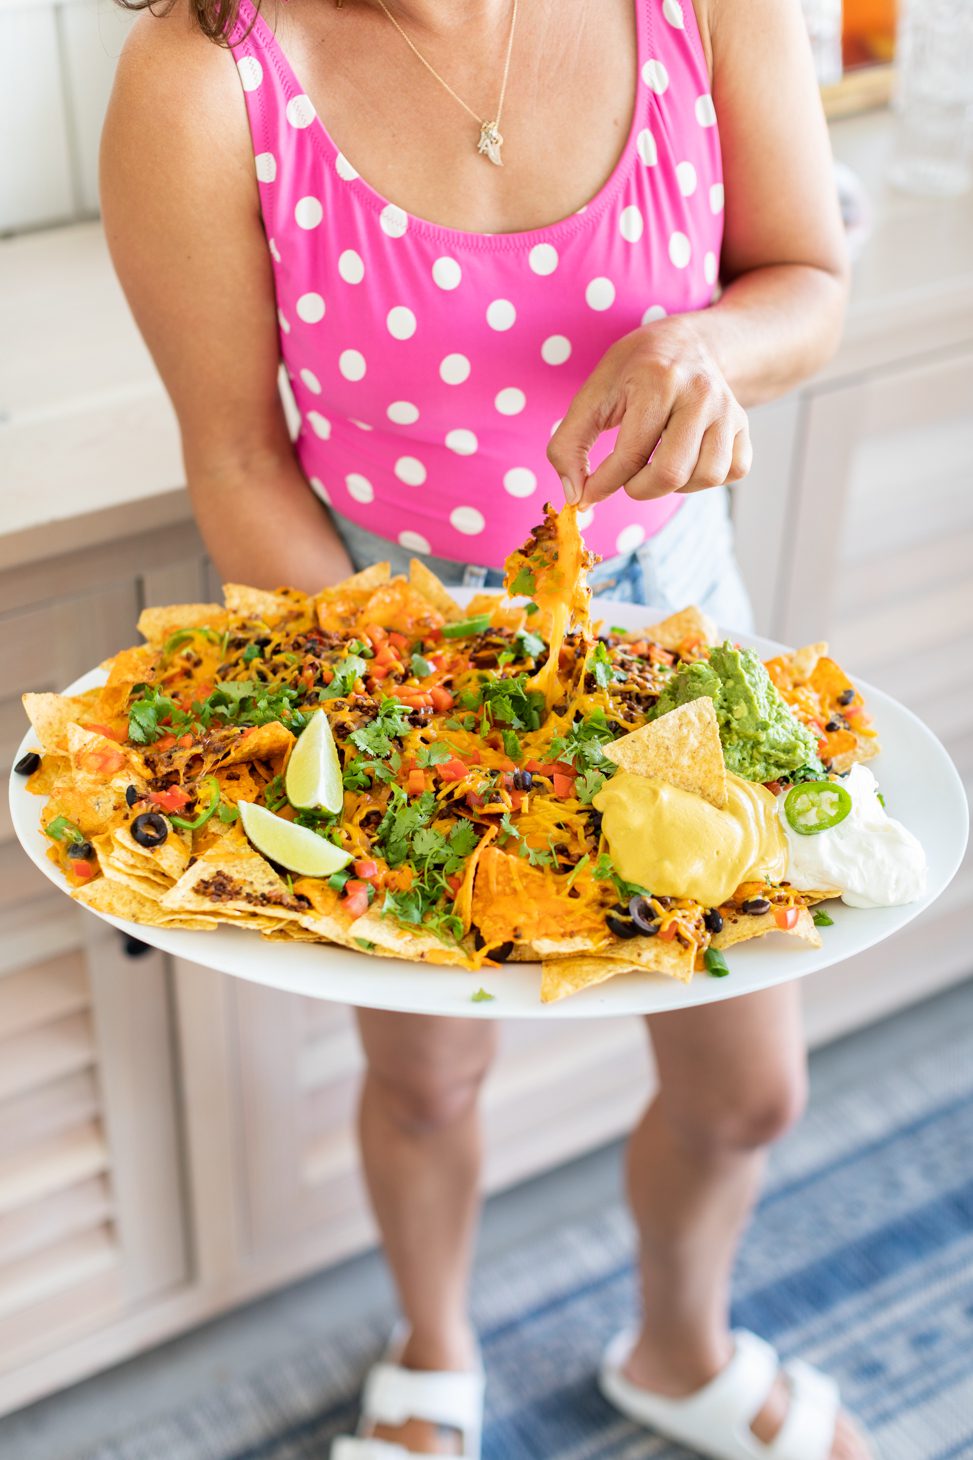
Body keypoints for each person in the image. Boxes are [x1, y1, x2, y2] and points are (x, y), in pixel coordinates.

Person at [101, 1, 865, 1455]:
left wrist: (711, 344)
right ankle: (435, 1357)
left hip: (675, 634)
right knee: (427, 1074)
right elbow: (239, 458)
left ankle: (678, 1353)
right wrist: (433, 698)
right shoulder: (204, 76)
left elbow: (806, 278)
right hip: (384, 647)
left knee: (750, 1091)